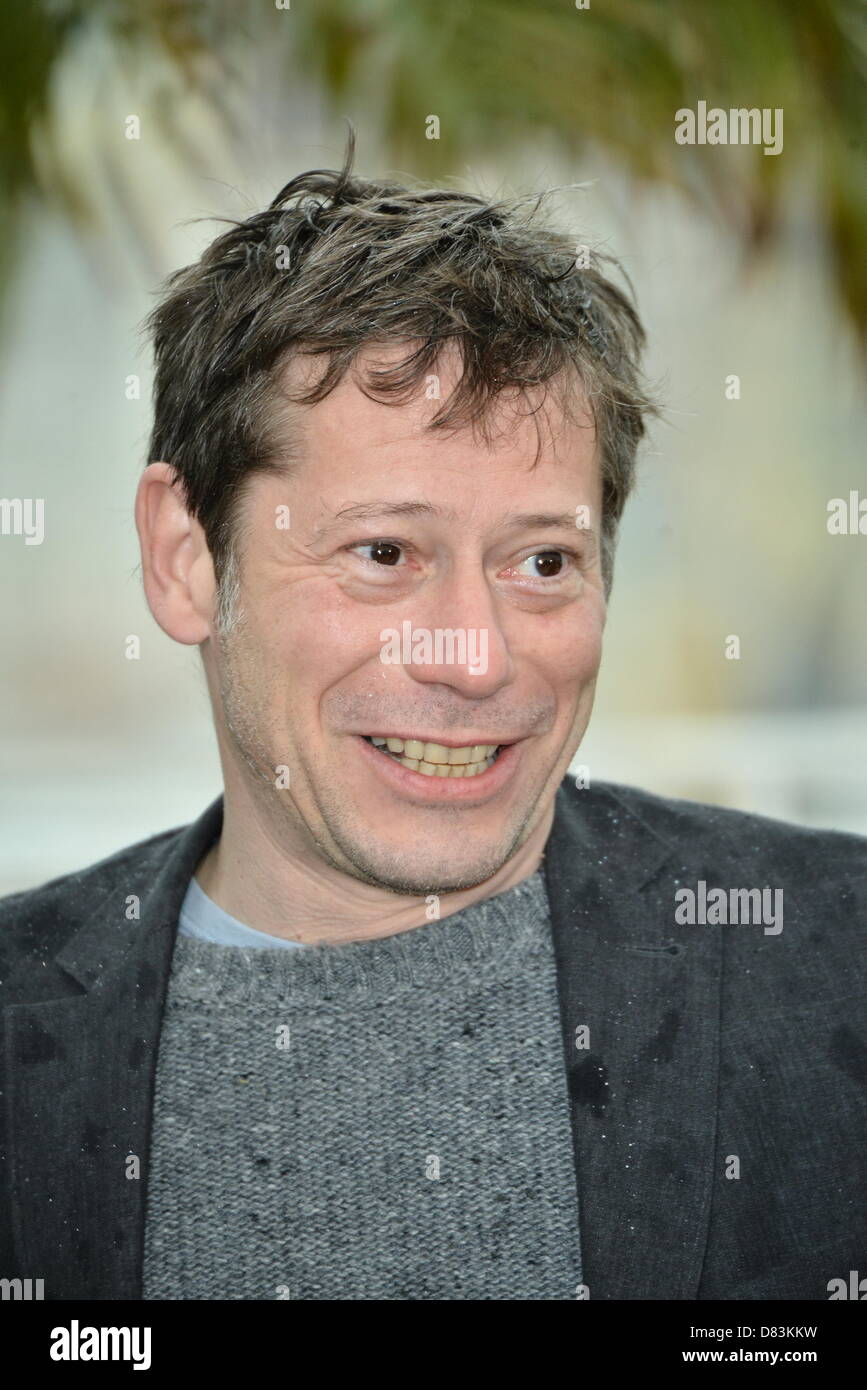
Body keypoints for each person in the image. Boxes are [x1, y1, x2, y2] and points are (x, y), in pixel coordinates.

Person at [1, 140, 864, 1302]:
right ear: (185, 556)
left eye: (544, 560)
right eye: (384, 552)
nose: (476, 654)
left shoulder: (833, 963)